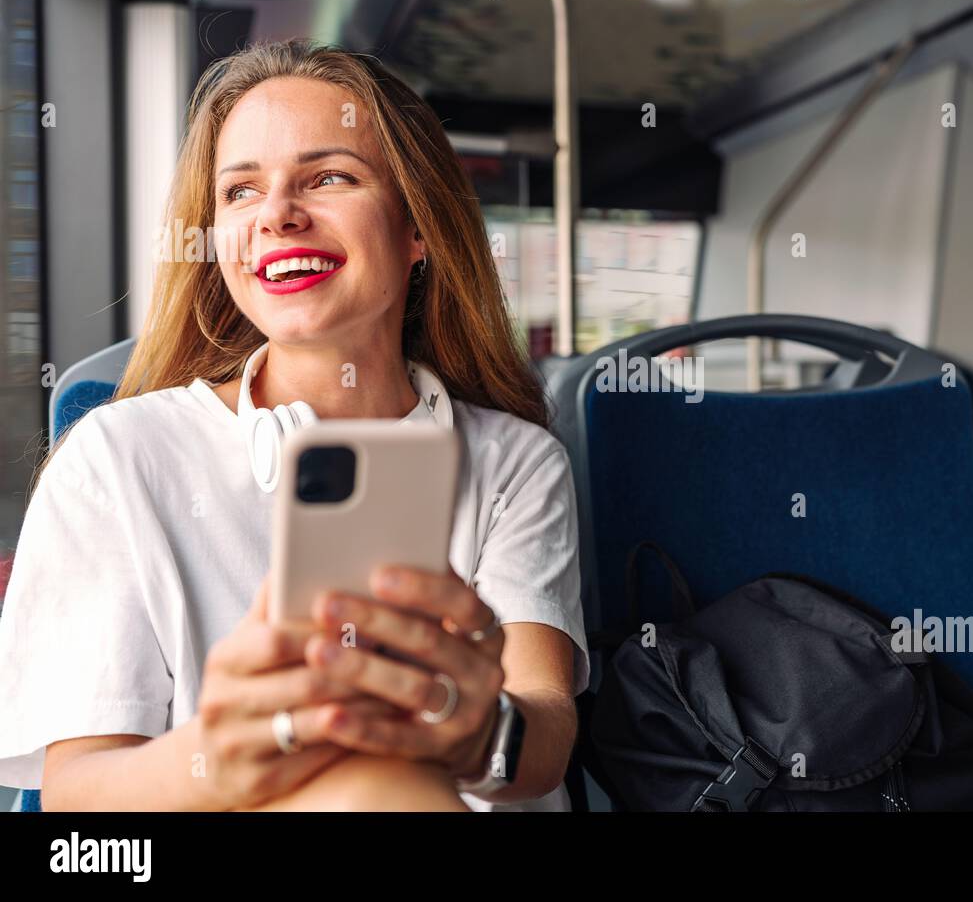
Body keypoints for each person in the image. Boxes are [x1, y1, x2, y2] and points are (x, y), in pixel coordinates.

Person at [0, 40, 588, 811]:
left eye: (329, 177)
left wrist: (478, 731)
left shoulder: (515, 462)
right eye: (241, 192)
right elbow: (79, 797)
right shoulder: (115, 461)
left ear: (419, 229)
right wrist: (220, 757)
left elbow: (542, 731)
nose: (277, 212)